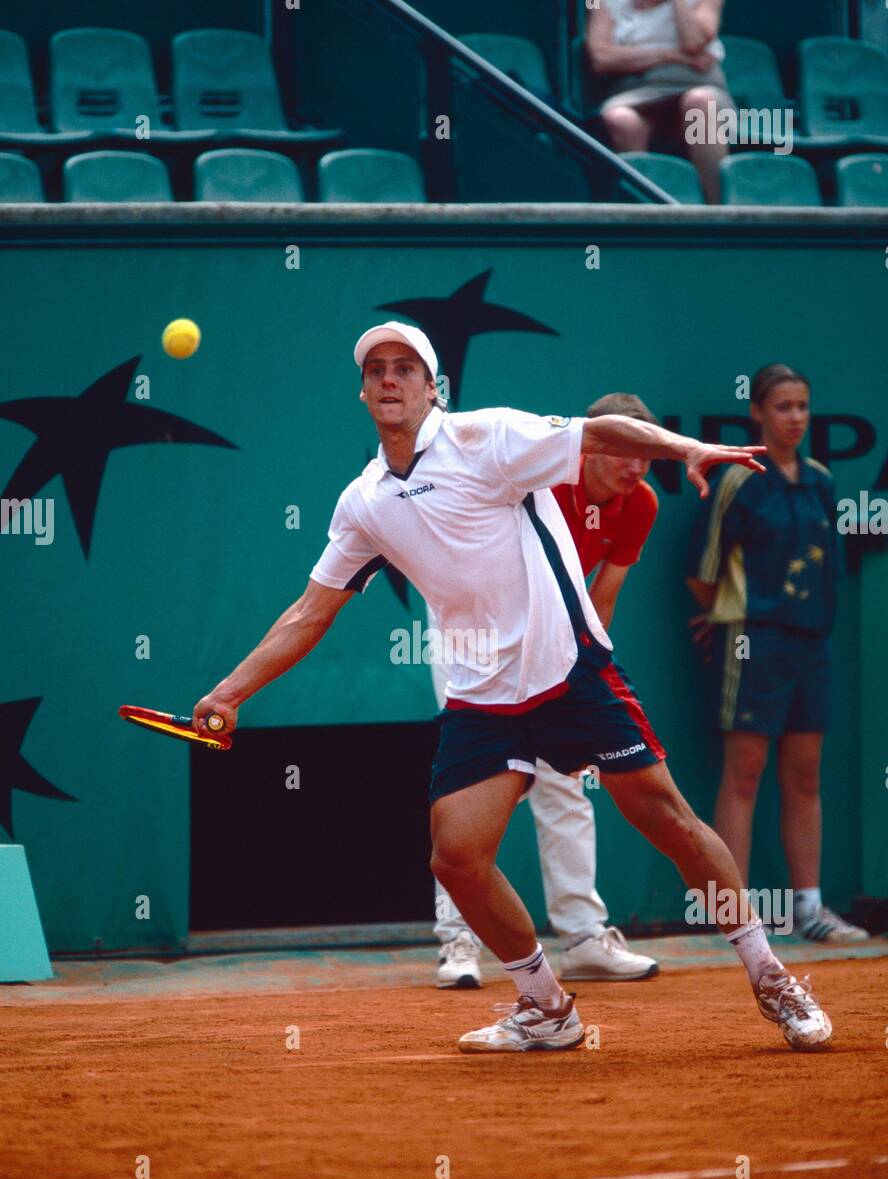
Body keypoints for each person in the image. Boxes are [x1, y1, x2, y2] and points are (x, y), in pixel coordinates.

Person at [192, 322, 833, 1054]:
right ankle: (546, 1007)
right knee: (457, 857)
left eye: (407, 369)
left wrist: (684, 448)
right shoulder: (365, 501)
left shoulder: (486, 437)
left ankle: (771, 976)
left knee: (670, 823)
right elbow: (311, 610)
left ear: (434, 387)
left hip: (569, 670)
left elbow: (598, 429)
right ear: (364, 392)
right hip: (483, 698)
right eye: (378, 371)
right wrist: (231, 692)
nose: (391, 380)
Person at [435, 392, 664, 988]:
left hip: (557, 644)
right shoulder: (542, 477)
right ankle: (460, 940)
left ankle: (585, 937)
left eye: (646, 454)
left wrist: (579, 673)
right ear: (590, 444)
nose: (635, 466)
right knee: (476, 790)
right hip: (477, 638)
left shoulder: (639, 503)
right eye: (622, 450)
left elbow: (600, 599)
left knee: (566, 784)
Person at [686, 363, 868, 945]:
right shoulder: (739, 480)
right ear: (757, 413)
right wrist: (726, 616)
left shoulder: (819, 479)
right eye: (783, 407)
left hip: (811, 643)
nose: (795, 418)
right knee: (745, 773)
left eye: (802, 407)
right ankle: (732, 913)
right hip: (753, 642)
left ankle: (810, 908)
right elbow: (703, 571)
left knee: (806, 774)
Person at [586, 0, 734, 203]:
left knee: (700, 102)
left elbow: (694, 42)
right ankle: (646, 210)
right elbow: (601, 58)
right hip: (635, 92)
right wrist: (669, 55)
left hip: (695, 84)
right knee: (620, 119)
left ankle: (718, 210)